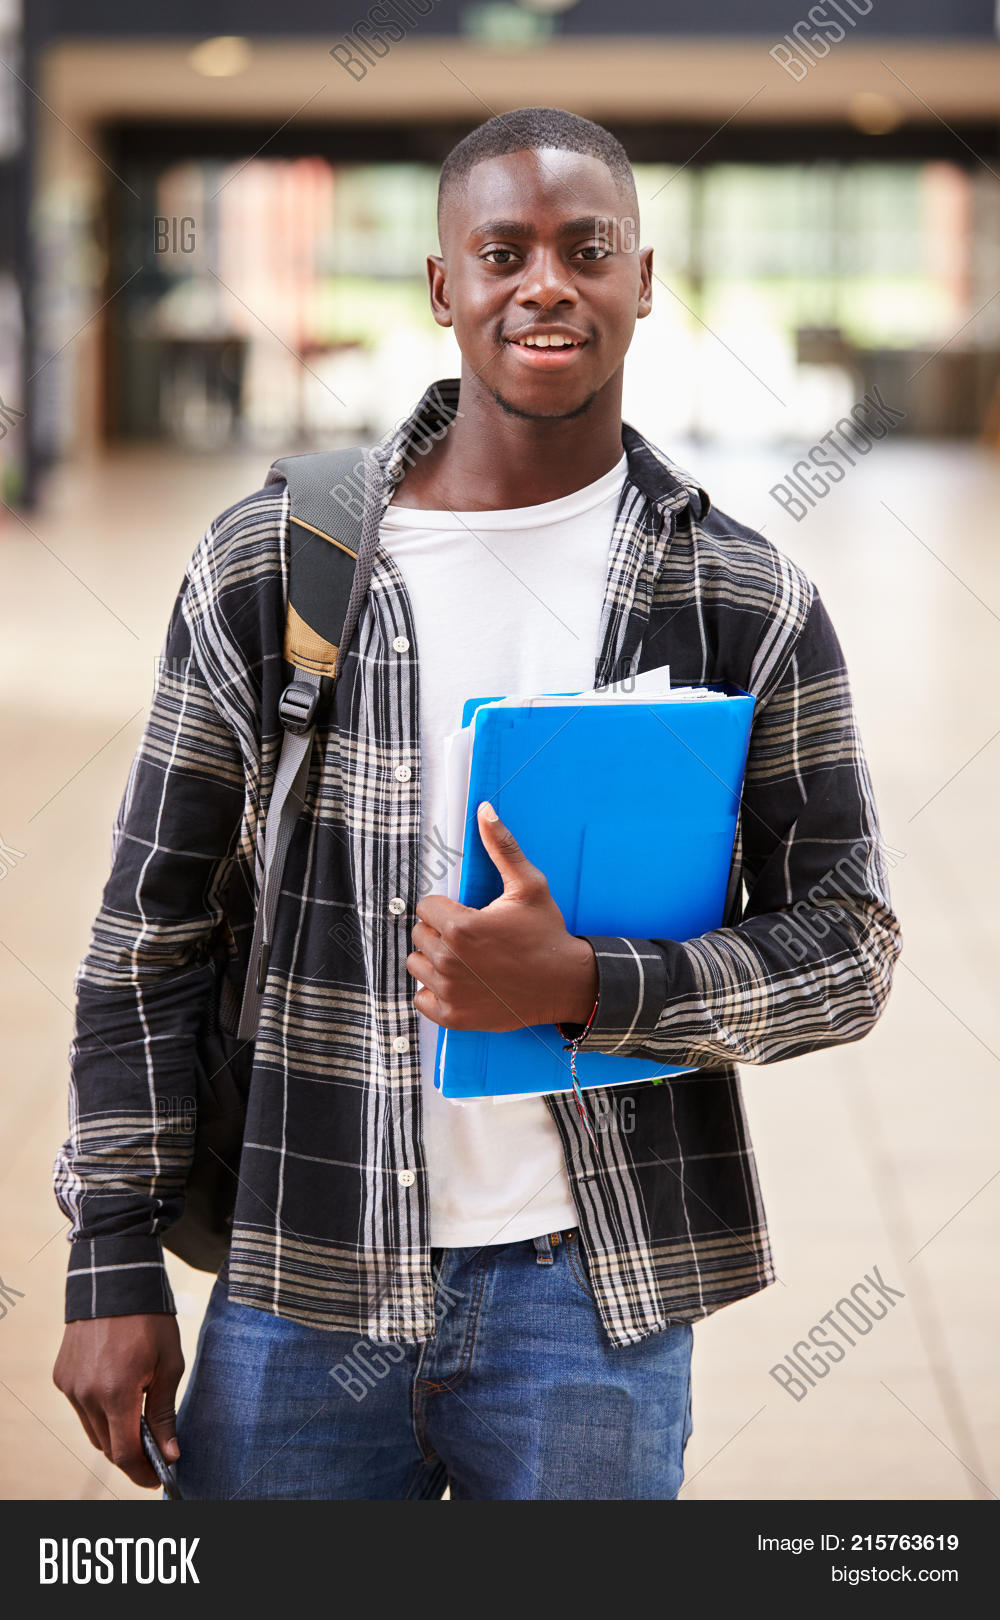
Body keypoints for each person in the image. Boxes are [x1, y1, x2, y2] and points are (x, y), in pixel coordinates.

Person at [52, 106, 902, 1501]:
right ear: (444, 287)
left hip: (594, 1298)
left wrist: (586, 981)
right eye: (501, 252)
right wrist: (111, 1253)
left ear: (643, 276)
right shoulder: (280, 563)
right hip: (299, 1268)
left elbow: (853, 952)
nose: (545, 282)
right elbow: (149, 933)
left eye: (587, 248)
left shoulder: (744, 600)